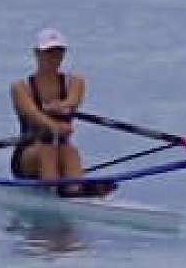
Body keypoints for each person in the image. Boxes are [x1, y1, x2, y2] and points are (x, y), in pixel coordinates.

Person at [9, 28, 113, 198]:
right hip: (29, 156)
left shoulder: (75, 82)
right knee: (47, 150)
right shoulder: (20, 88)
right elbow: (33, 114)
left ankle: (74, 194)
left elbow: (72, 102)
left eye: (59, 52)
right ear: (37, 53)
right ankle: (56, 196)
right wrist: (53, 125)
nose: (54, 58)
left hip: (62, 151)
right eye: (48, 52)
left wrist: (62, 106)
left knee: (70, 151)